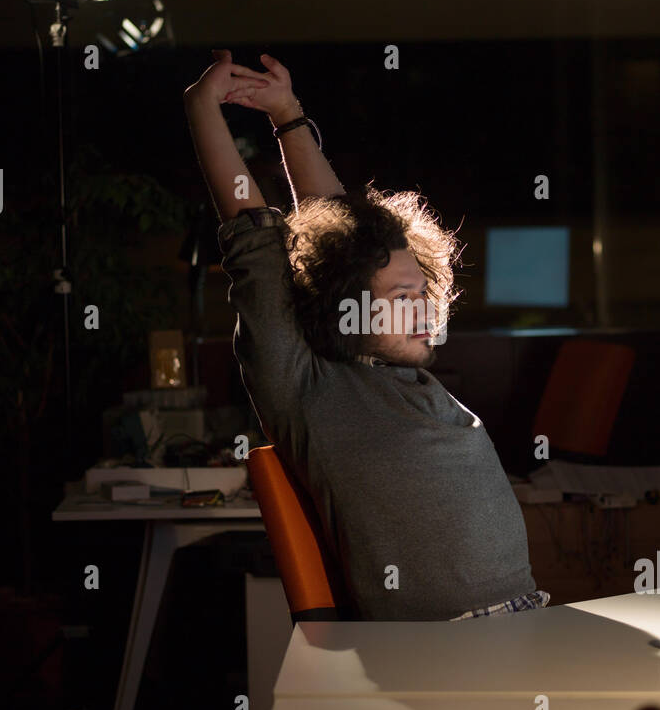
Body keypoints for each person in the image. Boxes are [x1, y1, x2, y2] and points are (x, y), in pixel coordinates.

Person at [183, 50, 548, 621]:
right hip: (448, 651)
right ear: (345, 306)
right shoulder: (311, 387)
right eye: (403, 298)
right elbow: (252, 240)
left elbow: (344, 232)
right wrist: (201, 106)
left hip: (527, 623)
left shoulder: (409, 374)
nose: (426, 309)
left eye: (423, 292)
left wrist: (289, 115)